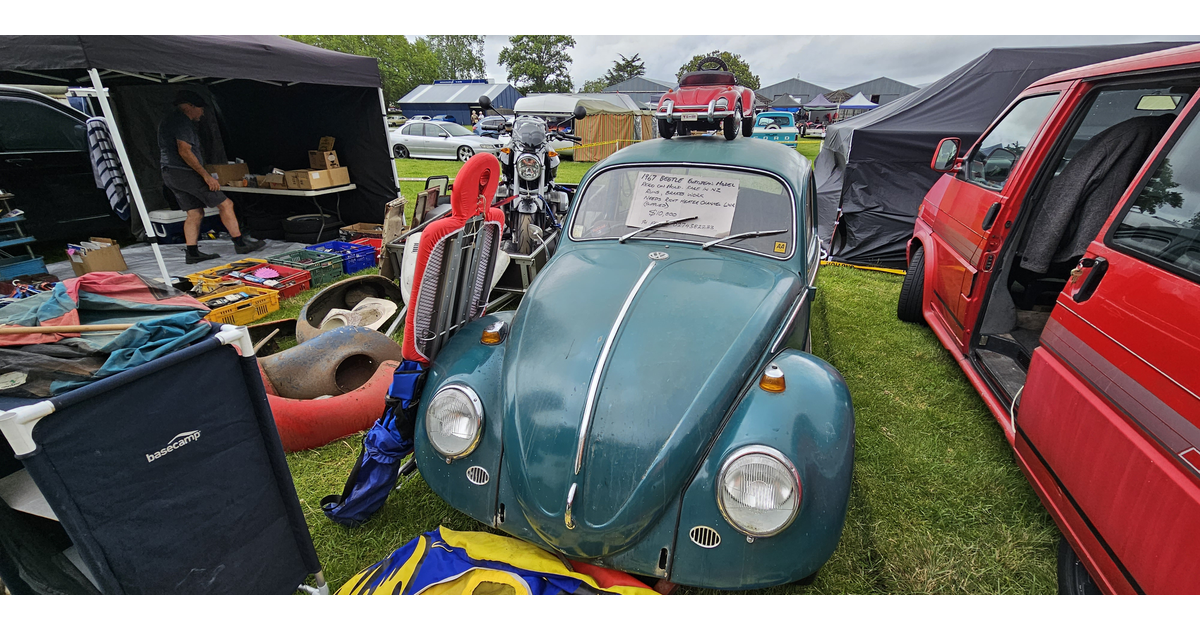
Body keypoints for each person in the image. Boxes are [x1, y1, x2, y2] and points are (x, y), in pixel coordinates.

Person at [158, 90, 263, 264]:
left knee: (194, 212)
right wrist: (206, 176)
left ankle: (192, 253)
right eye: (200, 108)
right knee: (226, 203)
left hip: (169, 173)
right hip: (185, 173)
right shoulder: (182, 122)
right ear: (190, 106)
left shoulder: (167, 120)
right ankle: (240, 243)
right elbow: (184, 150)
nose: (202, 112)